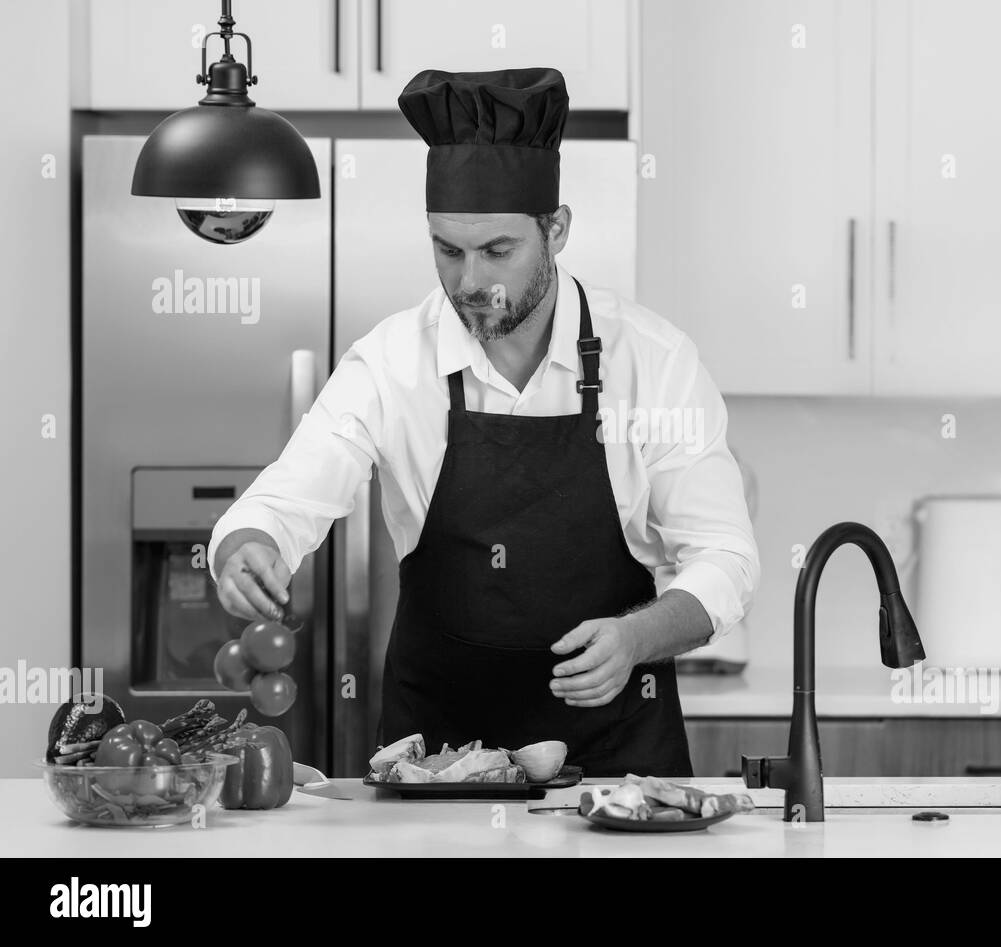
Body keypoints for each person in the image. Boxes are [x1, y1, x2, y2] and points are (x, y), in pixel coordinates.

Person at [209, 67, 759, 777]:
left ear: (555, 230)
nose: (470, 282)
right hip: (434, 771)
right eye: (447, 249)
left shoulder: (652, 361)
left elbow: (727, 559)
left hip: (616, 782)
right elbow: (288, 497)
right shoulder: (391, 362)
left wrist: (637, 636)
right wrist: (246, 546)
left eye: (498, 250)